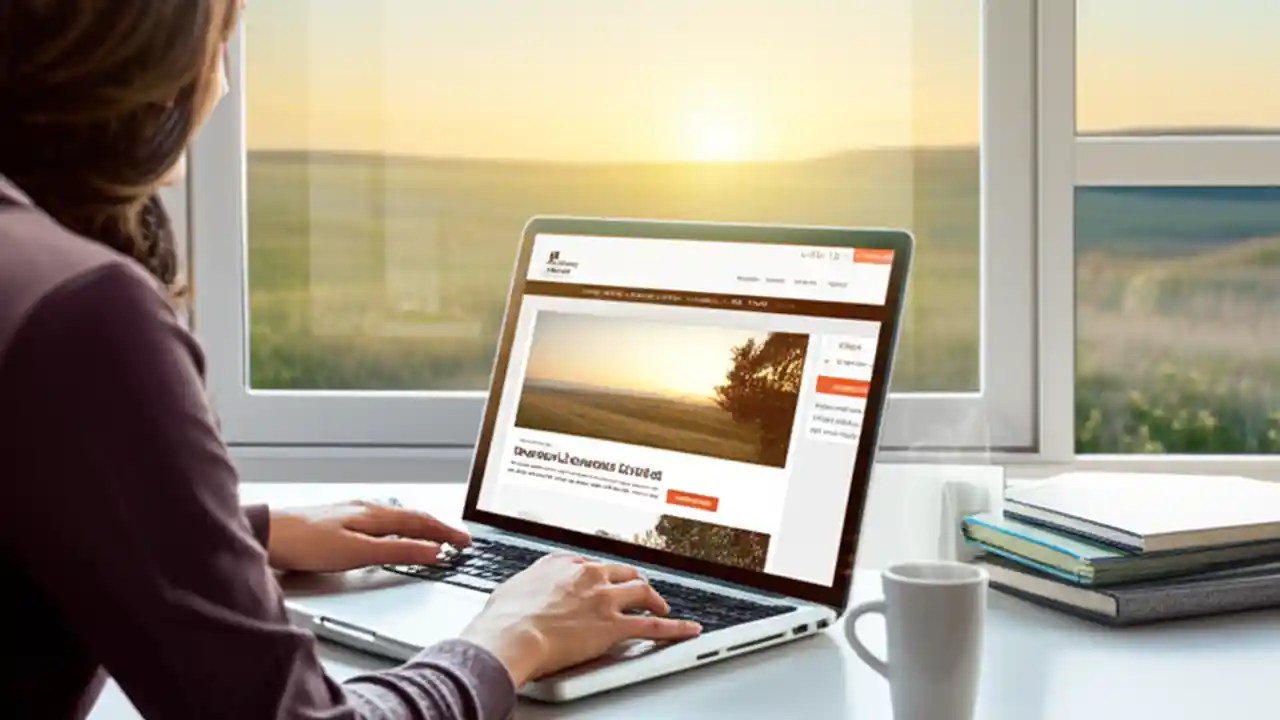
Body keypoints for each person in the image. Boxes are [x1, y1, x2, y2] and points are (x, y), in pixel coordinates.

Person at [0, 1, 701, 717]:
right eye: (221, 43)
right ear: (148, 57)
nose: (226, 85)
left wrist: (242, 534)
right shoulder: (80, 314)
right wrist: (507, 635)